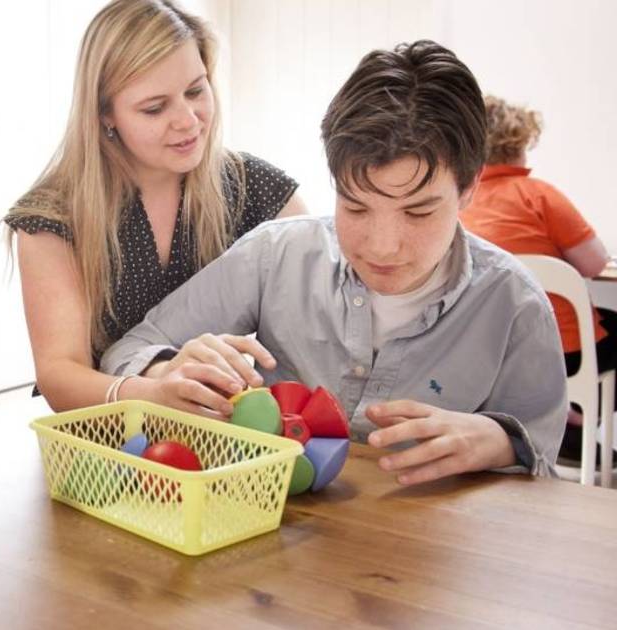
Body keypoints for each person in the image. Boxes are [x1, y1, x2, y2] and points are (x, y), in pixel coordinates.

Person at [101, 41, 566, 484]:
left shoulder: (515, 306)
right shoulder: (276, 255)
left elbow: (542, 463)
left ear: (468, 188)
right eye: (356, 207)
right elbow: (126, 351)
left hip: (427, 551)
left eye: (418, 211)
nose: (383, 247)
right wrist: (166, 373)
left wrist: (503, 443)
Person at [4, 0, 305, 412]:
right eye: (155, 108)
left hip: (222, 435)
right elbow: (59, 375)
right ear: (105, 114)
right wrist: (156, 394)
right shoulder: (52, 217)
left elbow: (329, 286)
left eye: (197, 91)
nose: (188, 120)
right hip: (99, 439)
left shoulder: (256, 187)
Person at [459, 95, 613, 465]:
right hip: (563, 353)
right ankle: (577, 419)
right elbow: (594, 264)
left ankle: (567, 422)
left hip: (487, 350)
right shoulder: (540, 196)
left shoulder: (460, 200)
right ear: (519, 146)